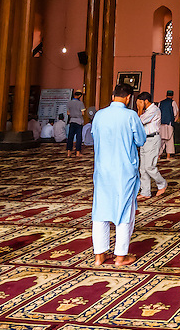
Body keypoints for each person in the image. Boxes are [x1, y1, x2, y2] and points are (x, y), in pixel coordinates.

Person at [91, 83, 146, 266]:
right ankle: (120, 256)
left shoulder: (99, 115)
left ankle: (100, 255)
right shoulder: (130, 116)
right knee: (124, 212)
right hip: (124, 171)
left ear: (112, 95)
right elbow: (140, 140)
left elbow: (94, 136)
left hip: (102, 170)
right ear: (129, 98)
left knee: (100, 211)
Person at [136, 92, 168, 200]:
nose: (138, 105)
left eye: (140, 103)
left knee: (149, 166)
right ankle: (145, 192)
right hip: (145, 140)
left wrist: (140, 110)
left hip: (153, 139)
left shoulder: (154, 110)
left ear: (145, 101)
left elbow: (139, 121)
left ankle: (162, 183)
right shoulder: (148, 111)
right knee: (143, 168)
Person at [158, 90, 177, 160]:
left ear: (166, 95)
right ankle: (168, 156)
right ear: (172, 96)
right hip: (169, 124)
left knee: (161, 140)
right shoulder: (173, 102)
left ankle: (158, 156)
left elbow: (158, 113)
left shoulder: (160, 103)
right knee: (169, 140)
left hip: (161, 124)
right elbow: (175, 112)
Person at [66, 90, 85, 157]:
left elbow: (68, 113)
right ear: (79, 96)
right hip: (79, 121)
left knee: (70, 137)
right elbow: (83, 113)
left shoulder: (69, 102)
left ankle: (69, 152)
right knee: (78, 137)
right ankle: (78, 152)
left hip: (72, 121)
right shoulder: (80, 103)